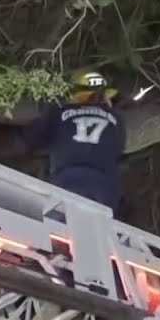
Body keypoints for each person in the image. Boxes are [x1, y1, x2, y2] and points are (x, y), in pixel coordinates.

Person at [23, 69, 126, 218]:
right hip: (103, 190)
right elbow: (119, 149)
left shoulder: (59, 113)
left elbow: (30, 140)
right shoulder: (117, 119)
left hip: (67, 183)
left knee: (59, 225)